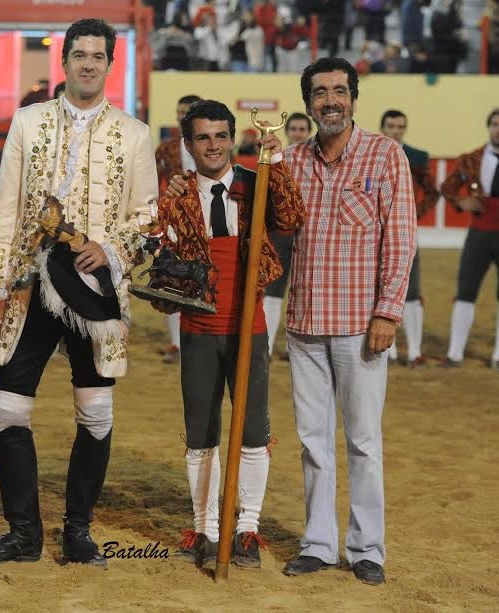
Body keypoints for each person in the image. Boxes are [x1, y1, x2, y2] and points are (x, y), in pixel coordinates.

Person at [0, 18, 157, 569]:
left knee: (94, 412)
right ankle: (24, 534)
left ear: (110, 65)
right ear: (65, 61)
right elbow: (6, 207)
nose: (88, 64)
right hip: (28, 282)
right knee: (7, 408)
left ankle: (78, 531)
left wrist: (110, 249)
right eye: (79, 55)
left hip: (94, 288)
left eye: (98, 56)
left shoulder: (135, 134)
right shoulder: (28, 122)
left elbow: (148, 217)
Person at [280, 58, 415, 586]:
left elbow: (400, 240)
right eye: (320, 92)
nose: (330, 100)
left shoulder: (385, 155)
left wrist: (388, 312)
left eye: (339, 90)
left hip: (362, 326)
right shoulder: (291, 160)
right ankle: (318, 543)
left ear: (354, 98)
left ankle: (366, 549)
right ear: (308, 103)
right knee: (313, 440)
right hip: (304, 324)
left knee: (363, 441)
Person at [156, 100, 304, 569]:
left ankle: (246, 530)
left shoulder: (256, 184)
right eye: (203, 137)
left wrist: (276, 163)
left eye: (221, 135)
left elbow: (292, 218)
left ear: (232, 138)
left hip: (248, 327)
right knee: (201, 433)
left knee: (253, 432)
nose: (213, 145)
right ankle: (205, 529)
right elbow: (155, 252)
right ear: (188, 144)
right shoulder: (177, 197)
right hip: (197, 329)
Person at [441, 108, 499, 371]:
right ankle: (454, 354)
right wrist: (460, 202)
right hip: (479, 233)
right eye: (495, 124)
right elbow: (447, 187)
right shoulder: (472, 159)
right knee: (465, 293)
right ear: (489, 127)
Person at [380, 109, 440, 367]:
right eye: (391, 126)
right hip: (374, 232)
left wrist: (414, 215)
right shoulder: (372, 153)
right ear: (383, 128)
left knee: (412, 290)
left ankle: (414, 350)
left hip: (404, 233)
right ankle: (388, 351)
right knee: (377, 287)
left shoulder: (416, 157)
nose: (396, 131)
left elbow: (432, 192)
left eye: (400, 126)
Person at [155, 94, 202, 364]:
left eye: (188, 111)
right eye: (180, 111)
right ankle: (176, 342)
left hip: (206, 218)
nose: (182, 116)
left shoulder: (209, 143)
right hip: (174, 219)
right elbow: (153, 179)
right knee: (171, 277)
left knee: (202, 277)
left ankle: (197, 338)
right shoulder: (166, 148)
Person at [262, 112, 312, 358]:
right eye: (294, 129)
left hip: (311, 236)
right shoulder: (276, 159)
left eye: (302, 129)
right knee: (273, 293)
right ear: (288, 131)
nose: (298, 133)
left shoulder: (317, 160)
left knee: (308, 292)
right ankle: (268, 347)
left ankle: (303, 348)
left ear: (309, 132)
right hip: (282, 234)